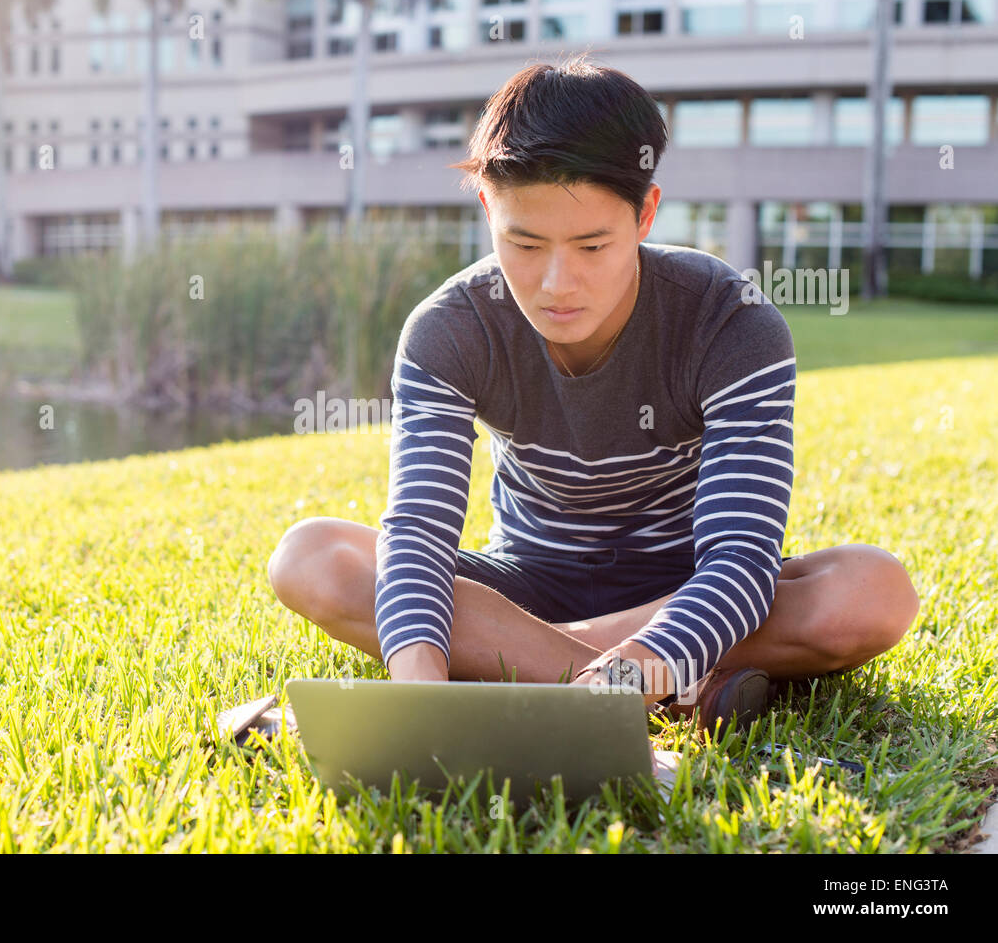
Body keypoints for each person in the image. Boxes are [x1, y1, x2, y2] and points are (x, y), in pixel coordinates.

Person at [267, 54, 919, 737]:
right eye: (524, 243)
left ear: (645, 215)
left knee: (871, 592)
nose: (556, 284)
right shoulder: (448, 329)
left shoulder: (732, 320)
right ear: (487, 207)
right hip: (527, 583)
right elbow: (420, 537)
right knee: (311, 557)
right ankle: (680, 686)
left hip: (683, 584)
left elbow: (739, 562)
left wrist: (627, 663)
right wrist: (421, 697)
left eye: (591, 245)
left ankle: (530, 665)